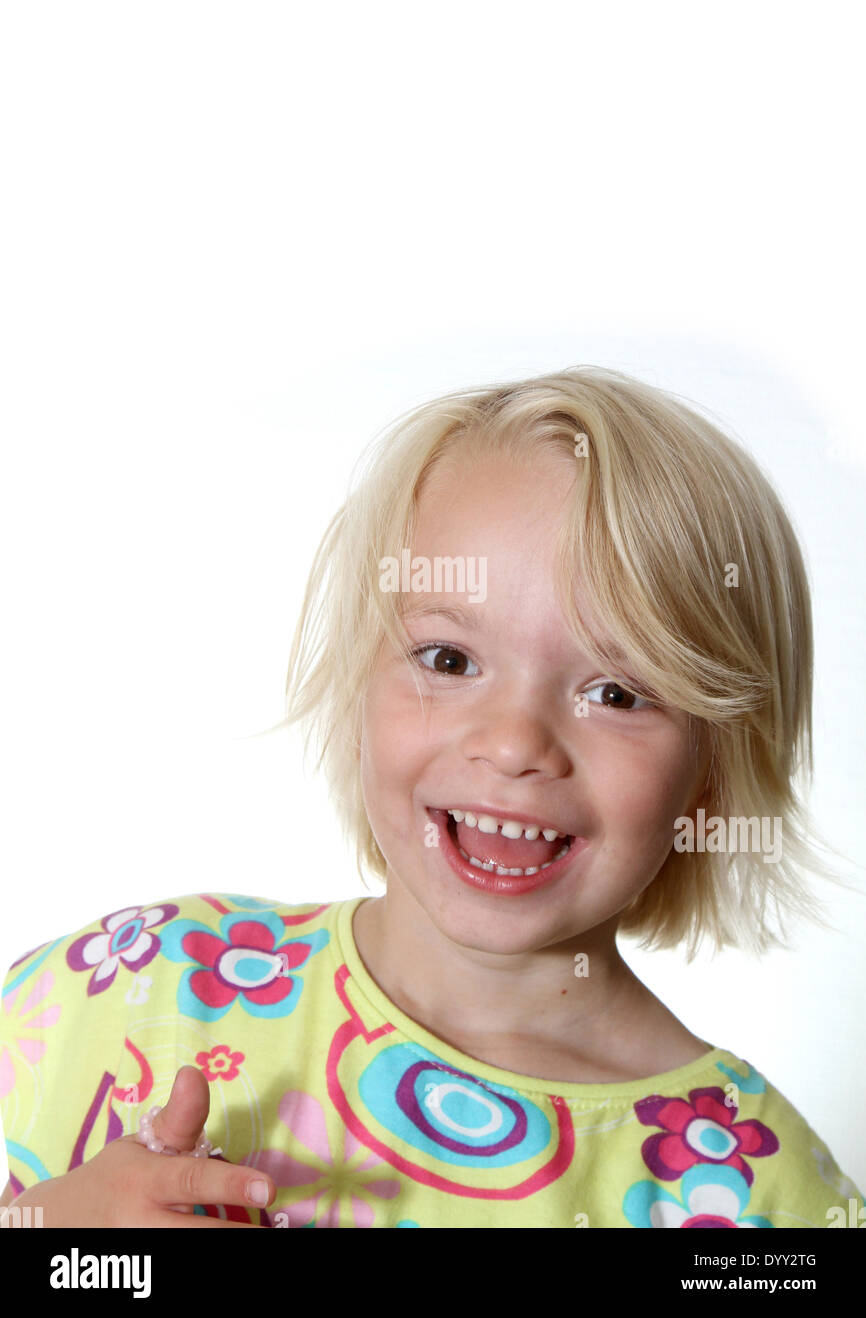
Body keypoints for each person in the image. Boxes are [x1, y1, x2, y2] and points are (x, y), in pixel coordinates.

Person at [1, 365, 863, 1229]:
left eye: (618, 693)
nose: (515, 743)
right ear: (359, 678)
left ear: (714, 765)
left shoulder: (759, 1196)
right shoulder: (135, 986)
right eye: (448, 660)